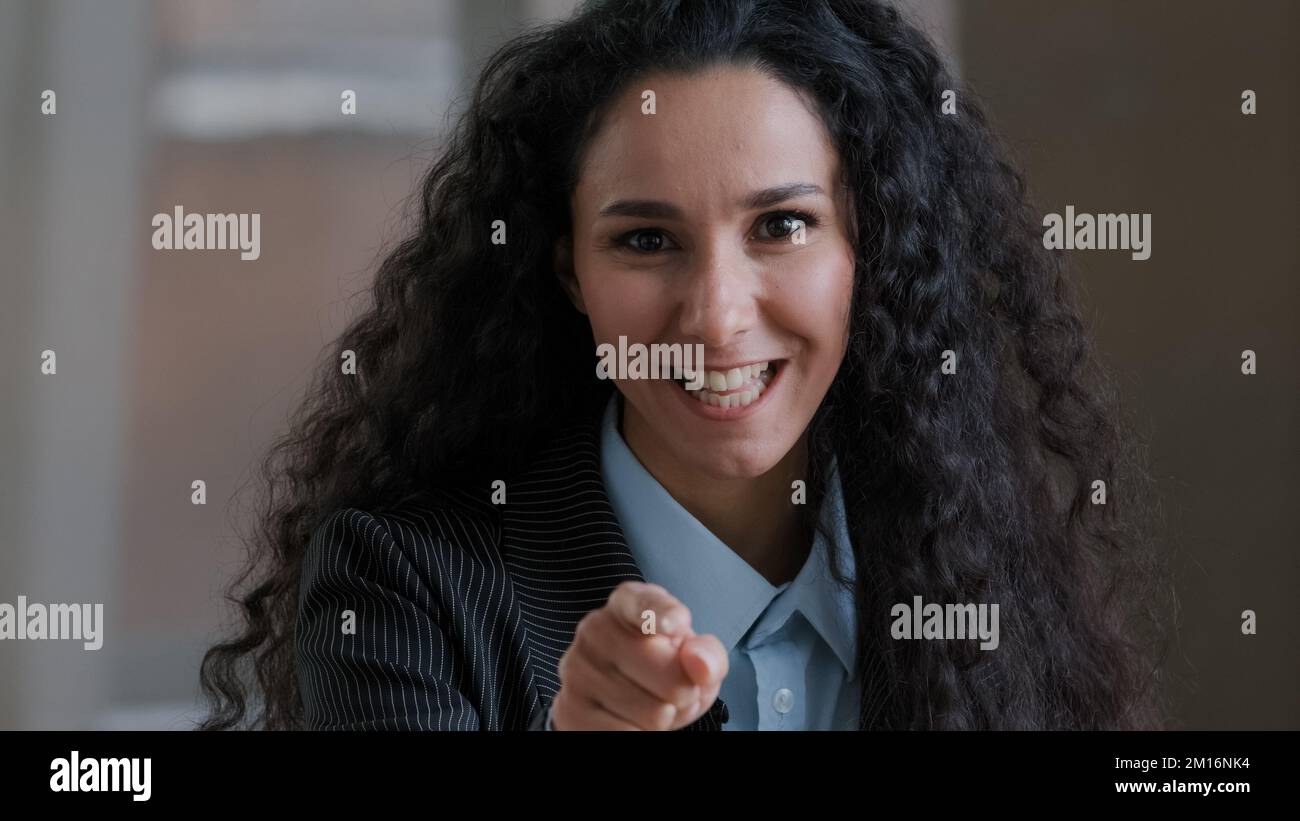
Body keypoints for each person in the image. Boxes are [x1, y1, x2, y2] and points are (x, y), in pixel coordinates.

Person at [198, 0, 1170, 731]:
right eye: (646, 241)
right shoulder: (404, 583)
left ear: (862, 254)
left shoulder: (962, 550)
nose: (716, 315)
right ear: (568, 271)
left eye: (781, 225)